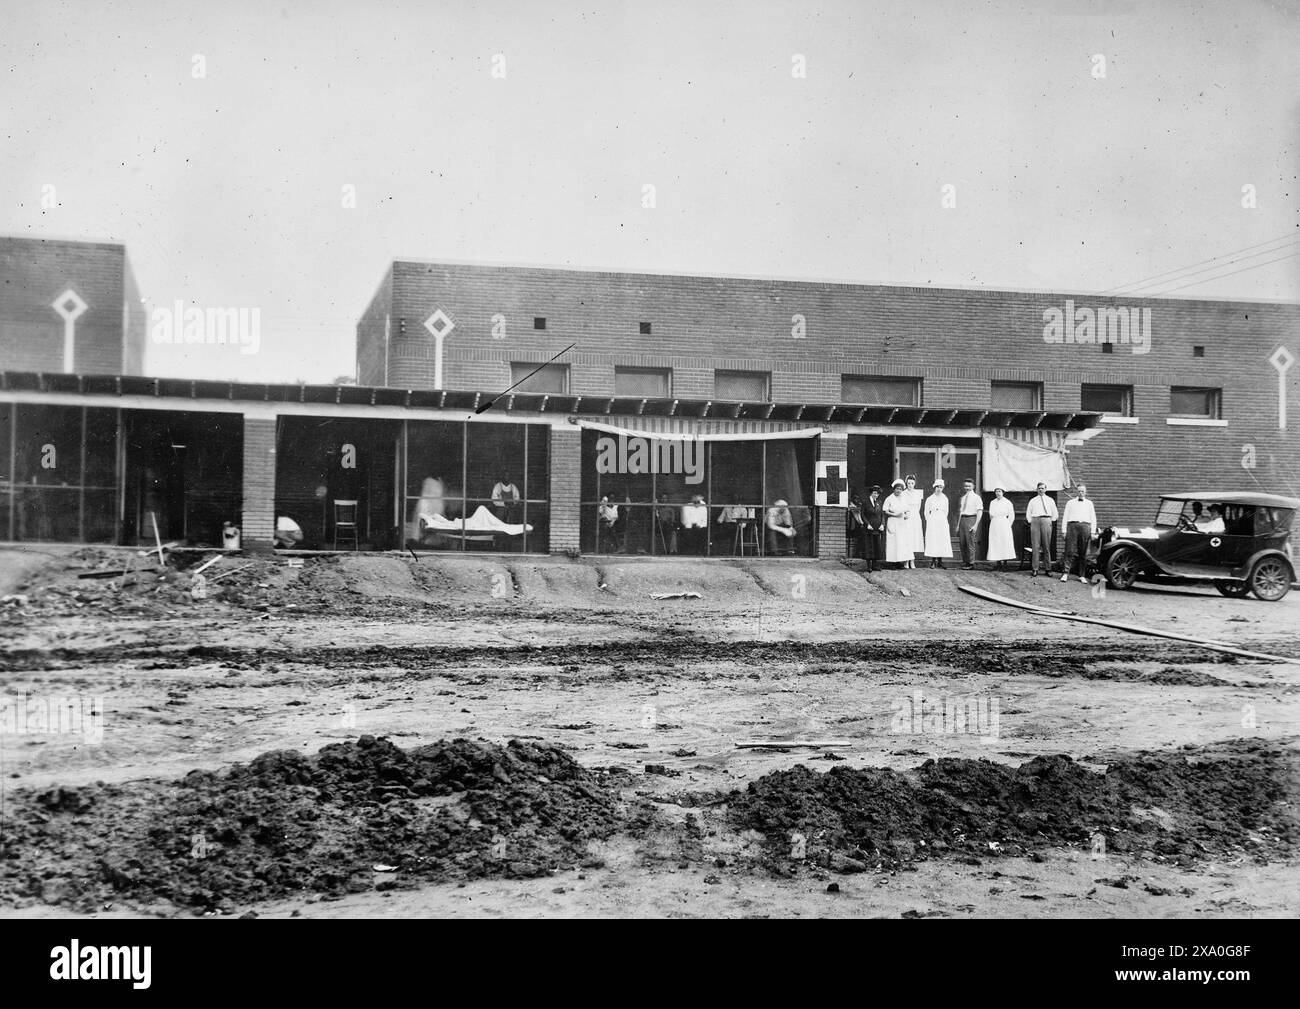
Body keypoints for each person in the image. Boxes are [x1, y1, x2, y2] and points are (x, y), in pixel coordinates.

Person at [1060, 483, 1097, 583]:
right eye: (1079, 491)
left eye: (1083, 491)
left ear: (1085, 492)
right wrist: (1064, 531)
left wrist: (1093, 532)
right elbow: (1065, 517)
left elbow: (1093, 518)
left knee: (1083, 552)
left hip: (1085, 527)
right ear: (1077, 491)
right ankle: (1065, 573)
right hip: (1072, 527)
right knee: (1069, 551)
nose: (1081, 493)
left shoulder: (1089, 503)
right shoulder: (1070, 502)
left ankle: (1082, 575)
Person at [1025, 482, 1058, 577]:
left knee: (1046, 546)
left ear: (1046, 489)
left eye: (1042, 488)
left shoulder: (1050, 500)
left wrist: (1050, 520)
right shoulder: (1033, 501)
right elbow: (1028, 512)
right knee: (1035, 546)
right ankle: (1035, 568)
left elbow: (1055, 513)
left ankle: (1048, 569)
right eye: (1039, 488)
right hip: (1035, 521)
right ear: (1037, 489)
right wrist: (1031, 521)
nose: (1041, 490)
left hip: (1046, 520)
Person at [955, 478, 984, 570]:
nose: (967, 488)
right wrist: (958, 525)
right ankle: (965, 562)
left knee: (970, 542)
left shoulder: (977, 498)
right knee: (962, 542)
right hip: (963, 520)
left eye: (969, 486)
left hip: (971, 519)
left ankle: (971, 563)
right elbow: (960, 513)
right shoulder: (963, 498)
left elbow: (979, 511)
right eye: (966, 486)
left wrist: (975, 525)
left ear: (973, 486)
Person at [882, 478, 911, 568]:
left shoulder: (904, 498)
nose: (898, 490)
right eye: (897, 488)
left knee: (901, 542)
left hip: (902, 523)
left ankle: (899, 562)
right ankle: (892, 563)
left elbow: (907, 510)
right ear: (894, 489)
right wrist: (894, 515)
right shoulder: (889, 499)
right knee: (893, 542)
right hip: (893, 521)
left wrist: (906, 515)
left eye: (900, 489)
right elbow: (885, 510)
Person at [923, 480, 953, 568]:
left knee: (941, 539)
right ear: (934, 487)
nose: (939, 489)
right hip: (932, 520)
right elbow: (926, 512)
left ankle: (940, 561)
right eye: (937, 487)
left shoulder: (945, 498)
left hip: (942, 520)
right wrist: (929, 520)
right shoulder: (930, 499)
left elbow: (946, 511)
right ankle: (933, 561)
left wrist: (942, 519)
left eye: (940, 487)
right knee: (933, 539)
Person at [986, 487, 1016, 570]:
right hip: (995, 524)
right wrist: (994, 522)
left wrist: (1007, 525)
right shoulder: (992, 502)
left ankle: (1005, 564)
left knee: (1004, 542)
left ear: (1003, 492)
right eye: (996, 491)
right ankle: (998, 564)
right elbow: (991, 515)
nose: (998, 493)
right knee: (996, 542)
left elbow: (1011, 515)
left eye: (999, 491)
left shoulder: (1007, 502)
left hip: (1004, 524)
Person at [861, 485, 885, 573]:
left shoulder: (879, 502)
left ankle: (875, 565)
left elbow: (882, 514)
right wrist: (867, 524)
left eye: (877, 494)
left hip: (877, 528)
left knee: (876, 546)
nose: (876, 495)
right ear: (871, 493)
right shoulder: (865, 502)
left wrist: (882, 524)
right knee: (869, 546)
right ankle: (869, 566)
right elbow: (862, 514)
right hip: (869, 528)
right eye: (874, 493)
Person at [902, 474, 923, 569]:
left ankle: (912, 561)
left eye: (912, 483)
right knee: (907, 539)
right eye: (908, 483)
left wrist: (915, 515)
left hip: (915, 517)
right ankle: (906, 561)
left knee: (914, 539)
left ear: (915, 484)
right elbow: (902, 506)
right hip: (907, 516)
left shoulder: (918, 494)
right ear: (906, 483)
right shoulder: (903, 493)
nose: (910, 485)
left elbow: (918, 507)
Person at [845, 494, 865, 558]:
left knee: (861, 540)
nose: (857, 500)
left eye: (858, 499)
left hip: (858, 525)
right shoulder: (851, 506)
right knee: (859, 540)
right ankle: (856, 554)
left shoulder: (858, 505)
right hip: (854, 526)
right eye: (856, 499)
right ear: (852, 499)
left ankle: (858, 553)